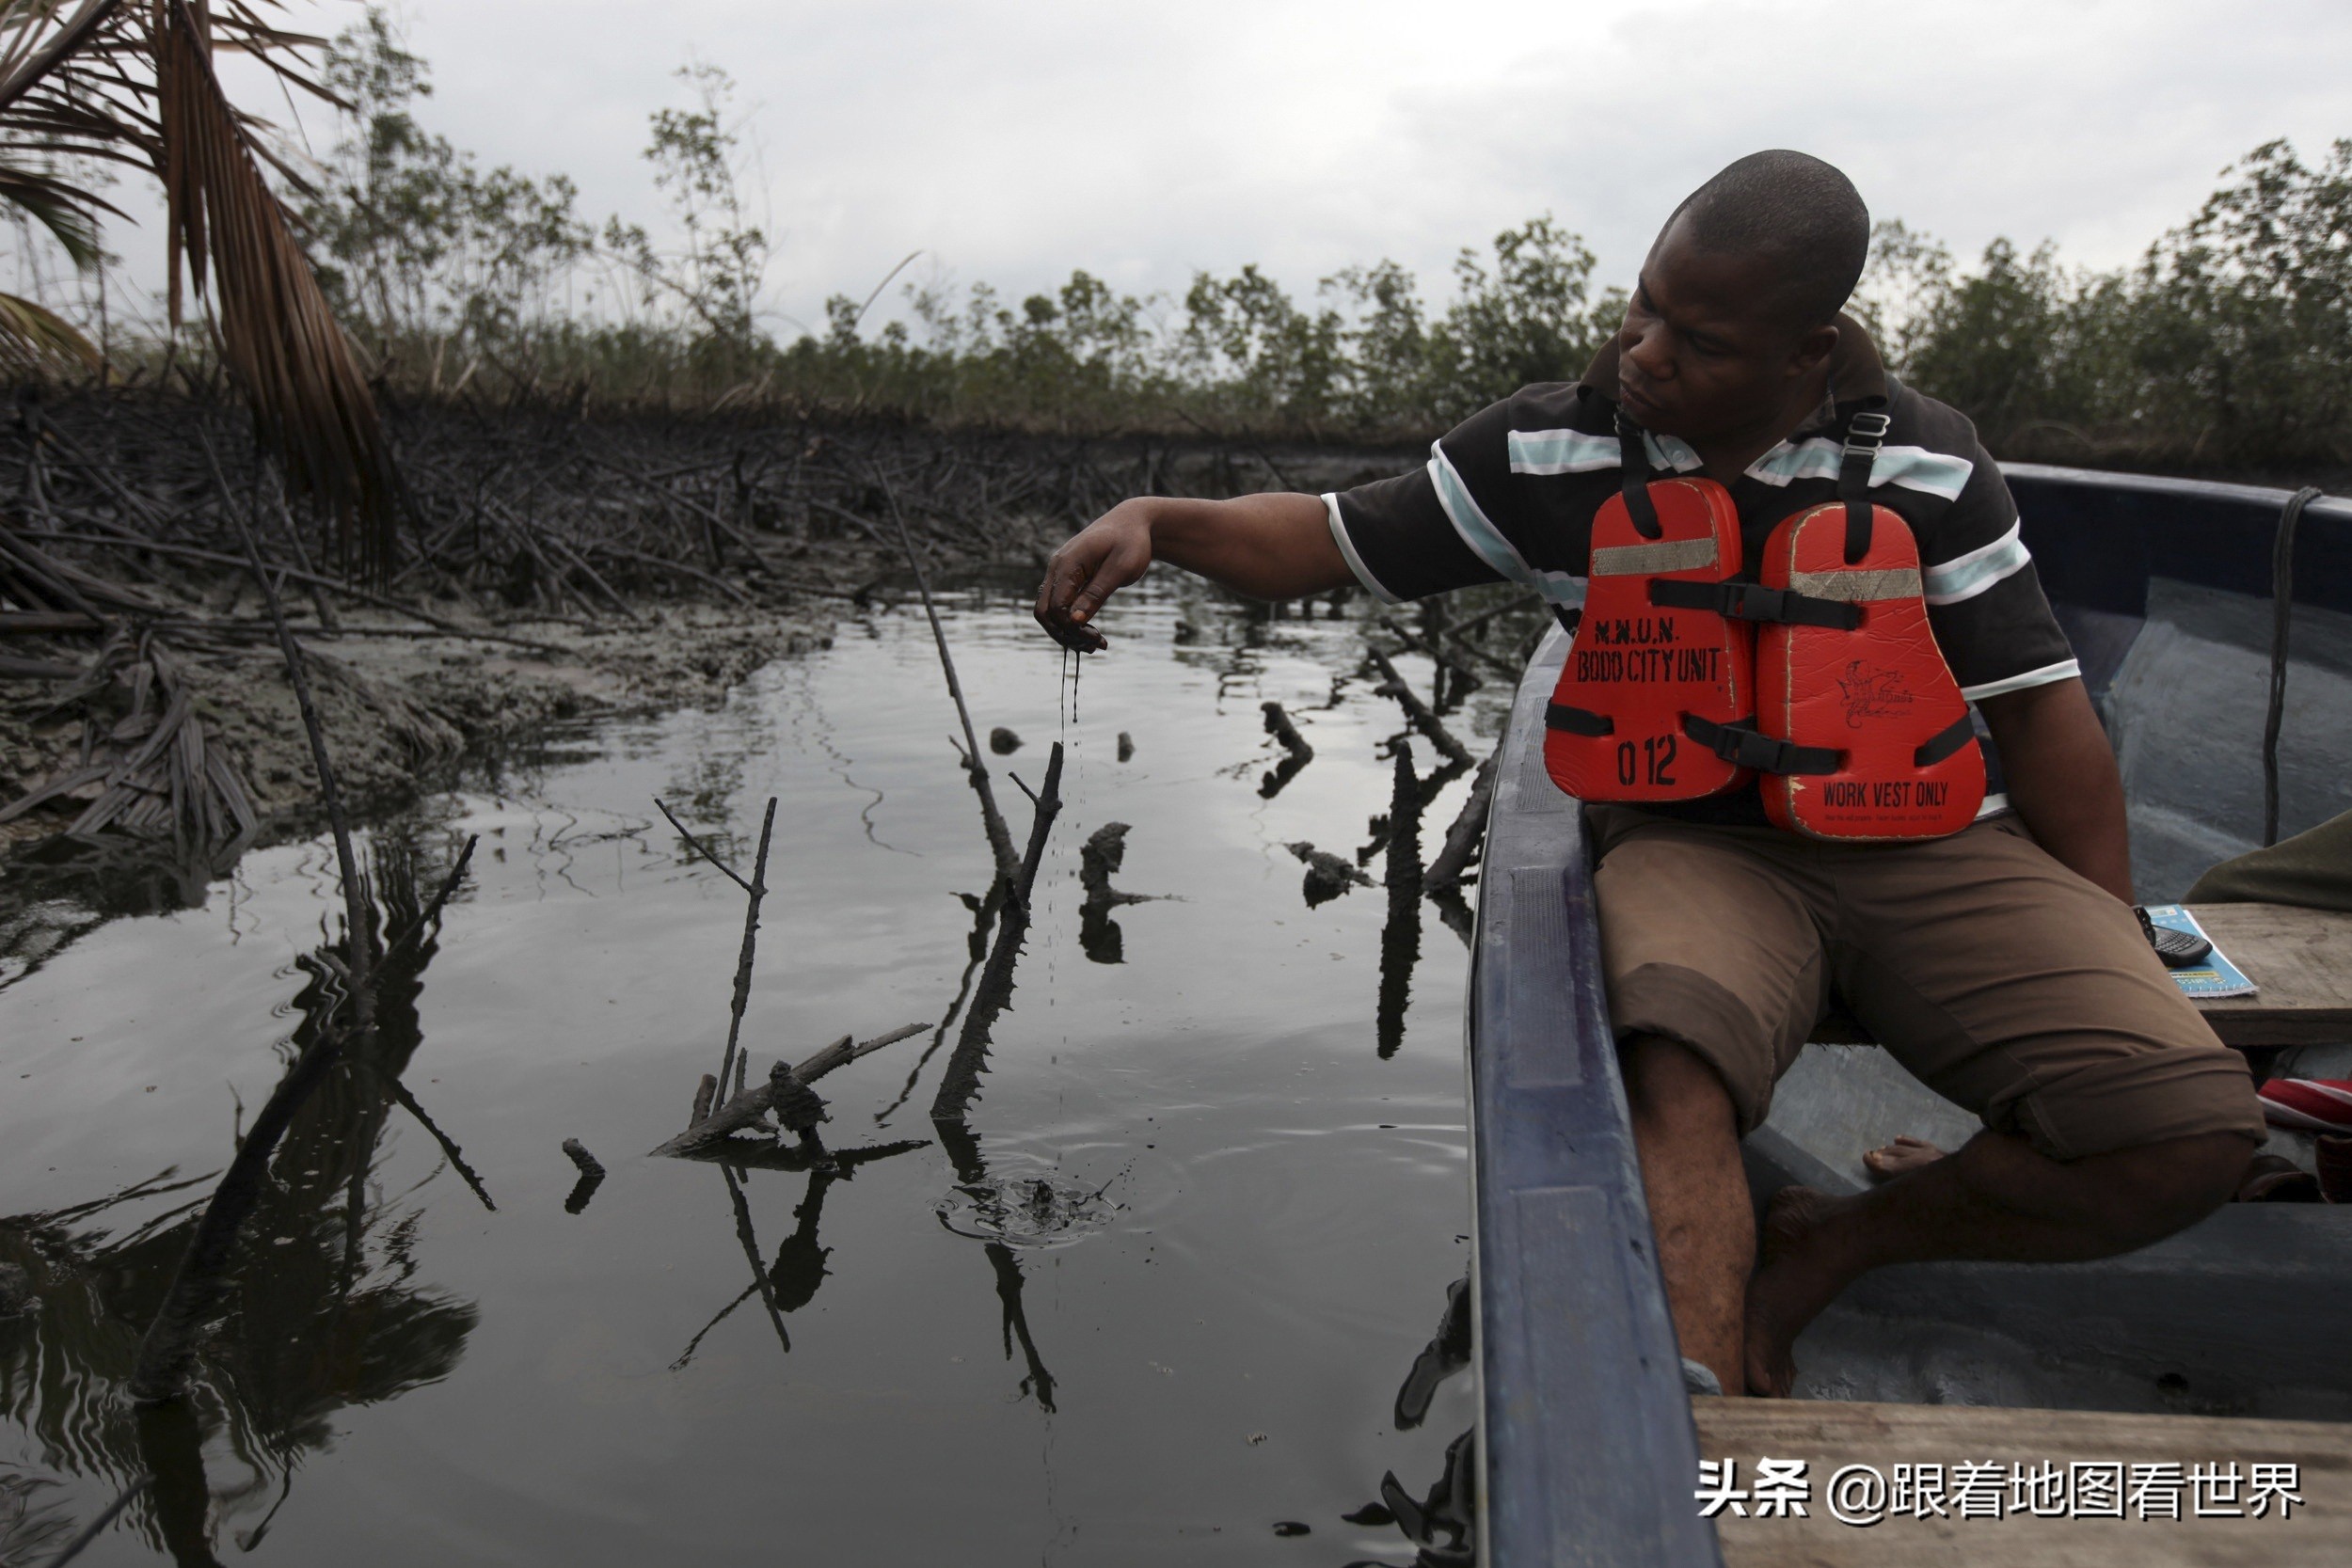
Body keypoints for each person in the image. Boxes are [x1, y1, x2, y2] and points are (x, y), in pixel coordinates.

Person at [1032, 151, 2265, 1398]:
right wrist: (1162, 521)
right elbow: (1331, 539)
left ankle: (1835, 1250)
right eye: (1646, 305)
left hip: (1934, 842)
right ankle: (1699, 1388)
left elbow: (2046, 718)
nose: (1646, 351)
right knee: (1674, 1070)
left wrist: (2108, 947)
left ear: (1807, 353)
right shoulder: (1550, 450)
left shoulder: (1929, 463)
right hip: (1695, 846)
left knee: (2186, 1136)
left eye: (1701, 338)